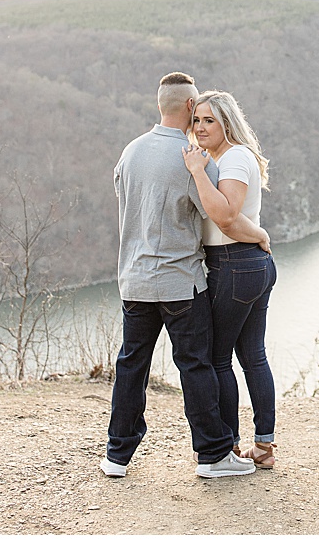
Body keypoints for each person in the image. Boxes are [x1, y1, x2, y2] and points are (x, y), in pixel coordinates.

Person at [104, 72, 270, 480]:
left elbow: (128, 203)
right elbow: (221, 215)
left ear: (160, 105)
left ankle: (117, 456)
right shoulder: (189, 159)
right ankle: (213, 456)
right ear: (189, 108)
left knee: (131, 366)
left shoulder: (130, 152)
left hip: (135, 280)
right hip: (180, 282)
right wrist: (261, 235)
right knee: (196, 366)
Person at [183, 90, 279, 469]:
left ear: (227, 122)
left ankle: (229, 447)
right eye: (196, 120)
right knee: (253, 355)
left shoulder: (235, 157)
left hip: (234, 264)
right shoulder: (220, 157)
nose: (201, 127)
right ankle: (263, 446)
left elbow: (224, 216)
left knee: (218, 359)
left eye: (210, 120)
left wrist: (195, 173)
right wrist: (258, 235)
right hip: (249, 264)